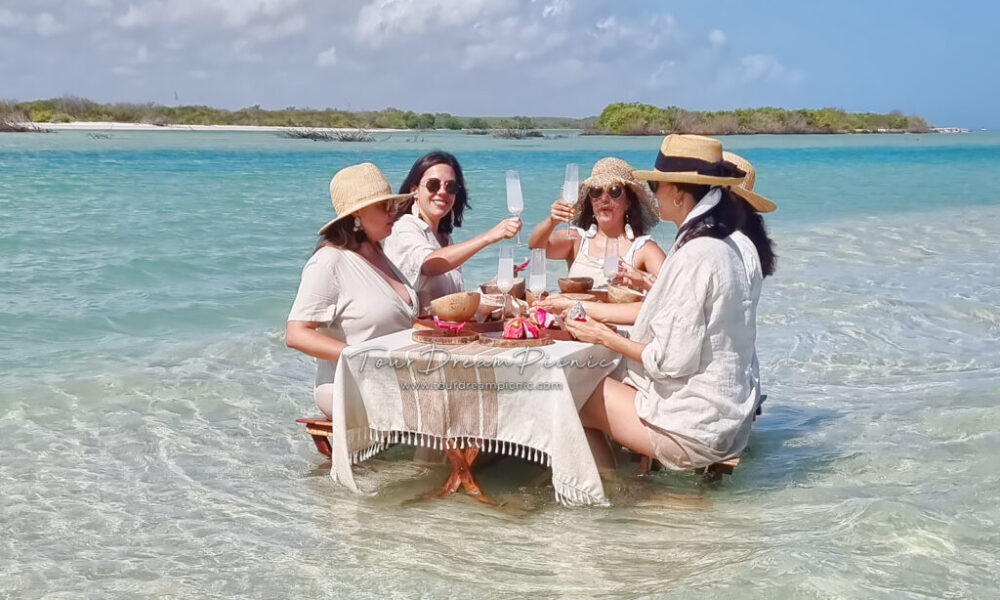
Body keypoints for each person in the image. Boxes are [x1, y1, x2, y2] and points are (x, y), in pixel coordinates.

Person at [557, 134, 759, 471]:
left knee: (569, 396)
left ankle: (617, 499)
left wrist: (602, 336)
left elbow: (668, 362)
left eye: (656, 186)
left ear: (679, 193)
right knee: (601, 380)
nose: (653, 194)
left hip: (693, 427)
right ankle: (635, 483)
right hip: (726, 414)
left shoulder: (695, 254)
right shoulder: (724, 244)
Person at [286, 163, 418, 418]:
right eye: (383, 206)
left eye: (392, 204)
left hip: (392, 379)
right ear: (356, 214)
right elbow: (296, 334)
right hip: (348, 386)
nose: (393, 212)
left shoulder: (379, 254)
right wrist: (360, 355)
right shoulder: (330, 261)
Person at [383, 151, 521, 313]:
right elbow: (430, 265)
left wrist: (493, 287)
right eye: (433, 185)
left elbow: (451, 300)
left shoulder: (445, 238)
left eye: (451, 187)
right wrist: (488, 237)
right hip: (413, 332)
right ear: (415, 191)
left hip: (441, 333)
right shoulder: (403, 228)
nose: (442, 192)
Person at [528, 157, 665, 289]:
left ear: (628, 202)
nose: (604, 199)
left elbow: (671, 288)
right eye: (596, 192)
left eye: (614, 192)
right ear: (590, 201)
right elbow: (536, 247)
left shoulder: (642, 249)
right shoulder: (578, 241)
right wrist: (552, 222)